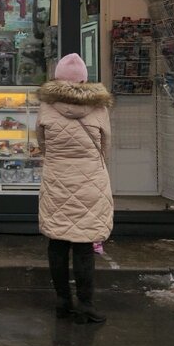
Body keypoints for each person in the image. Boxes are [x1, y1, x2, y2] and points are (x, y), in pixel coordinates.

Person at [36, 53, 113, 324]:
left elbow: (43, 144)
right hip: (91, 181)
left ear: (57, 78)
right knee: (83, 245)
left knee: (57, 243)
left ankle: (62, 301)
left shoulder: (47, 108)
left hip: (57, 180)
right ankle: (87, 305)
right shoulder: (99, 108)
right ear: (84, 78)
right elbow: (105, 147)